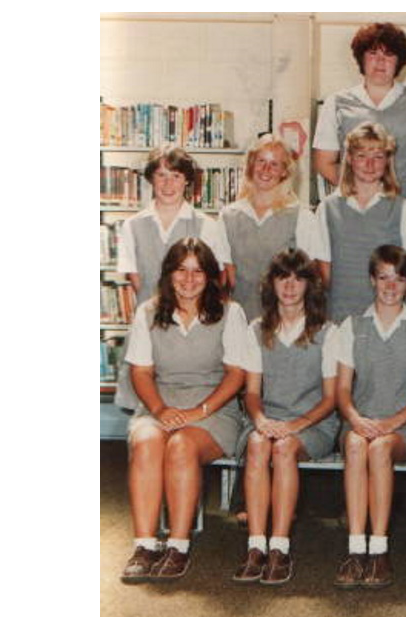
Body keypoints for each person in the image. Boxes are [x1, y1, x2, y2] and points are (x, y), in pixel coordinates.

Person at [120, 238, 248, 583]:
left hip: (214, 409)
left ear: (210, 276)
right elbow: (141, 372)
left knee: (181, 446)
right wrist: (159, 409)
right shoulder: (148, 312)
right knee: (146, 441)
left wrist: (199, 411)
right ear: (168, 274)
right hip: (160, 404)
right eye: (181, 270)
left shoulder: (230, 312)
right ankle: (145, 545)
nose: (189, 279)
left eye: (198, 271)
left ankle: (178, 546)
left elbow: (236, 374)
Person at [232, 249, 339, 585]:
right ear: (272, 283)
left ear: (309, 285)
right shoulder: (257, 329)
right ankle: (255, 546)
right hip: (268, 417)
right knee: (257, 443)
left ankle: (279, 548)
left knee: (283, 448)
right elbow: (251, 392)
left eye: (298, 278)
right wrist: (260, 420)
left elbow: (331, 398)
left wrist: (294, 426)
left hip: (313, 424)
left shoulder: (327, 331)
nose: (290, 286)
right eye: (282, 277)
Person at [331, 245, 406, 589]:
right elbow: (342, 389)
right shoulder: (352, 326)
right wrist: (355, 418)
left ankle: (379, 550)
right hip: (361, 421)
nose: (391, 286)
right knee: (356, 445)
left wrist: (391, 424)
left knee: (379, 448)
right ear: (372, 281)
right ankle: (354, 548)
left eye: (399, 279)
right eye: (383, 277)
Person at [114, 146, 233, 410]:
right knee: (148, 410)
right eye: (161, 175)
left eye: (176, 176)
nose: (168, 184)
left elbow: (217, 280)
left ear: (187, 180)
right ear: (150, 178)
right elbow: (138, 283)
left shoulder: (207, 225)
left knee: (192, 408)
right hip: (151, 327)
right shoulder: (132, 226)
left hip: (194, 330)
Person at [300, 122, 406, 323]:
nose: (370, 165)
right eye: (361, 156)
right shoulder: (328, 209)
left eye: (378, 157)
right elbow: (324, 275)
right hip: (341, 318)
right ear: (349, 158)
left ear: (387, 160)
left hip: (388, 320)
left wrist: (394, 308)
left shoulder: (404, 210)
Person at [312, 22, 406, 212]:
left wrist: (398, 190)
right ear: (361, 58)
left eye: (388, 54)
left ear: (399, 61)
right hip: (354, 209)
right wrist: (358, 190)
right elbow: (324, 162)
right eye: (373, 53)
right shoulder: (337, 103)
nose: (380, 62)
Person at [219, 134, 315, 322]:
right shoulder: (228, 216)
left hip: (286, 322)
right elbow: (226, 281)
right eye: (261, 161)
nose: (266, 169)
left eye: (274, 164)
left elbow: (308, 279)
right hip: (240, 320)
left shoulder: (301, 216)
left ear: (284, 172)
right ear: (251, 165)